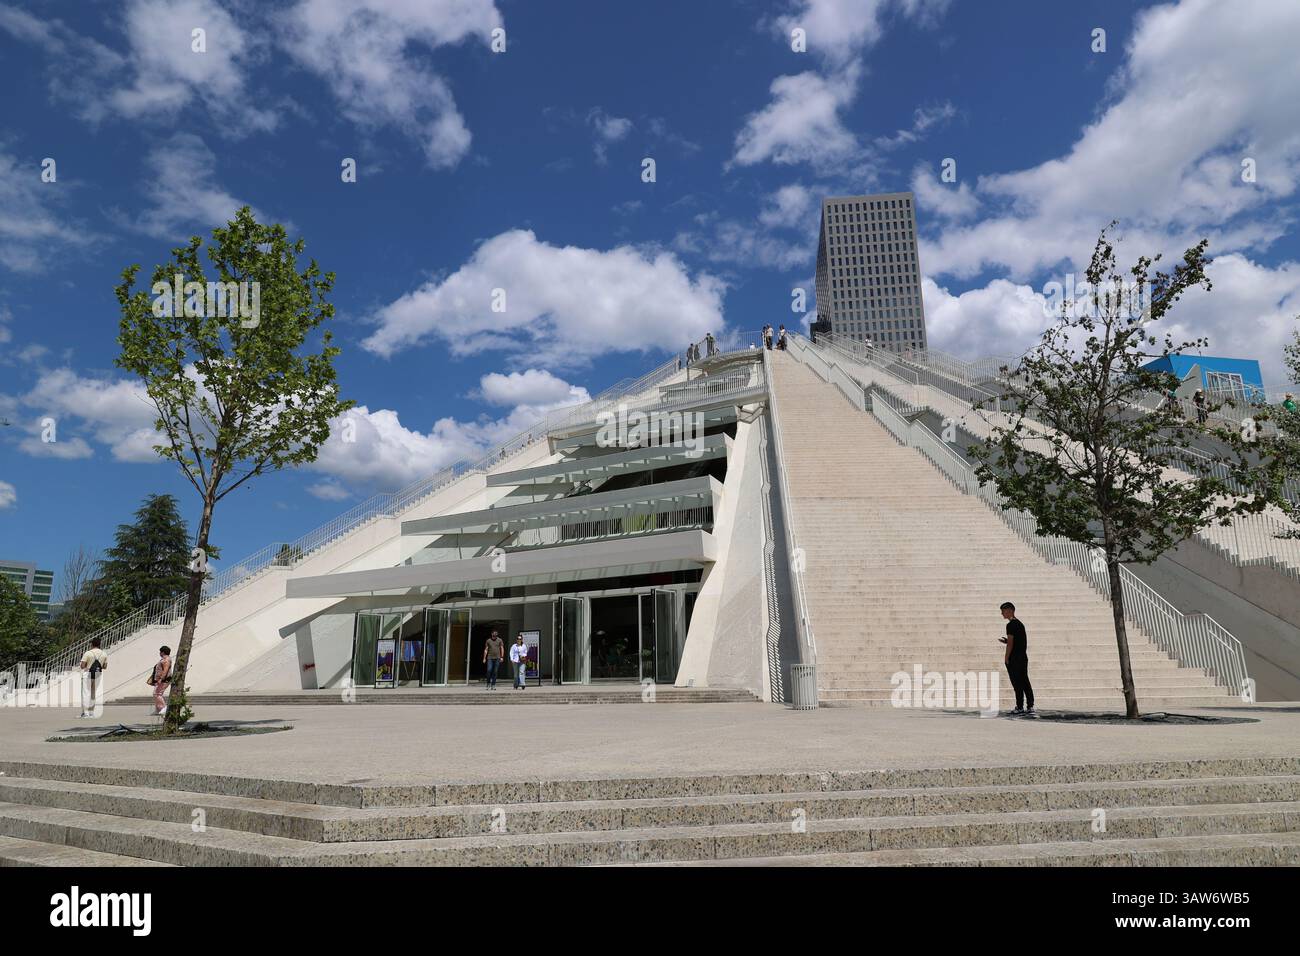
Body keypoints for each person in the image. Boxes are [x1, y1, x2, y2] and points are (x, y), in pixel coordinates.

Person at [998, 602, 1034, 715]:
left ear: (1010, 610)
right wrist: (1007, 641)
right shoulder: (1019, 624)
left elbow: (1011, 644)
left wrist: (1006, 658)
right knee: (1025, 681)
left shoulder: (1010, 625)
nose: (1002, 613)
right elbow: (1017, 641)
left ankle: (1019, 706)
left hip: (1015, 658)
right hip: (1023, 657)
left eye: (1003, 611)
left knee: (1017, 683)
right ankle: (1030, 706)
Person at [79, 636, 108, 718]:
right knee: (93, 693)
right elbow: (105, 666)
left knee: (86, 693)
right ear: (99, 644)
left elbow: (82, 666)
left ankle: (86, 713)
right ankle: (91, 712)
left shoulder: (88, 653)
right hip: (98, 675)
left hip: (88, 674)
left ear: (92, 644)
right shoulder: (104, 654)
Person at [147, 645, 172, 716]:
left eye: (160, 652)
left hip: (164, 680)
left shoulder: (166, 660)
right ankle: (158, 709)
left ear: (163, 652)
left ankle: (164, 708)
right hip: (160, 680)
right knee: (156, 693)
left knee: (157, 694)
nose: (159, 653)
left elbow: (165, 670)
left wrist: (161, 679)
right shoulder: (164, 659)